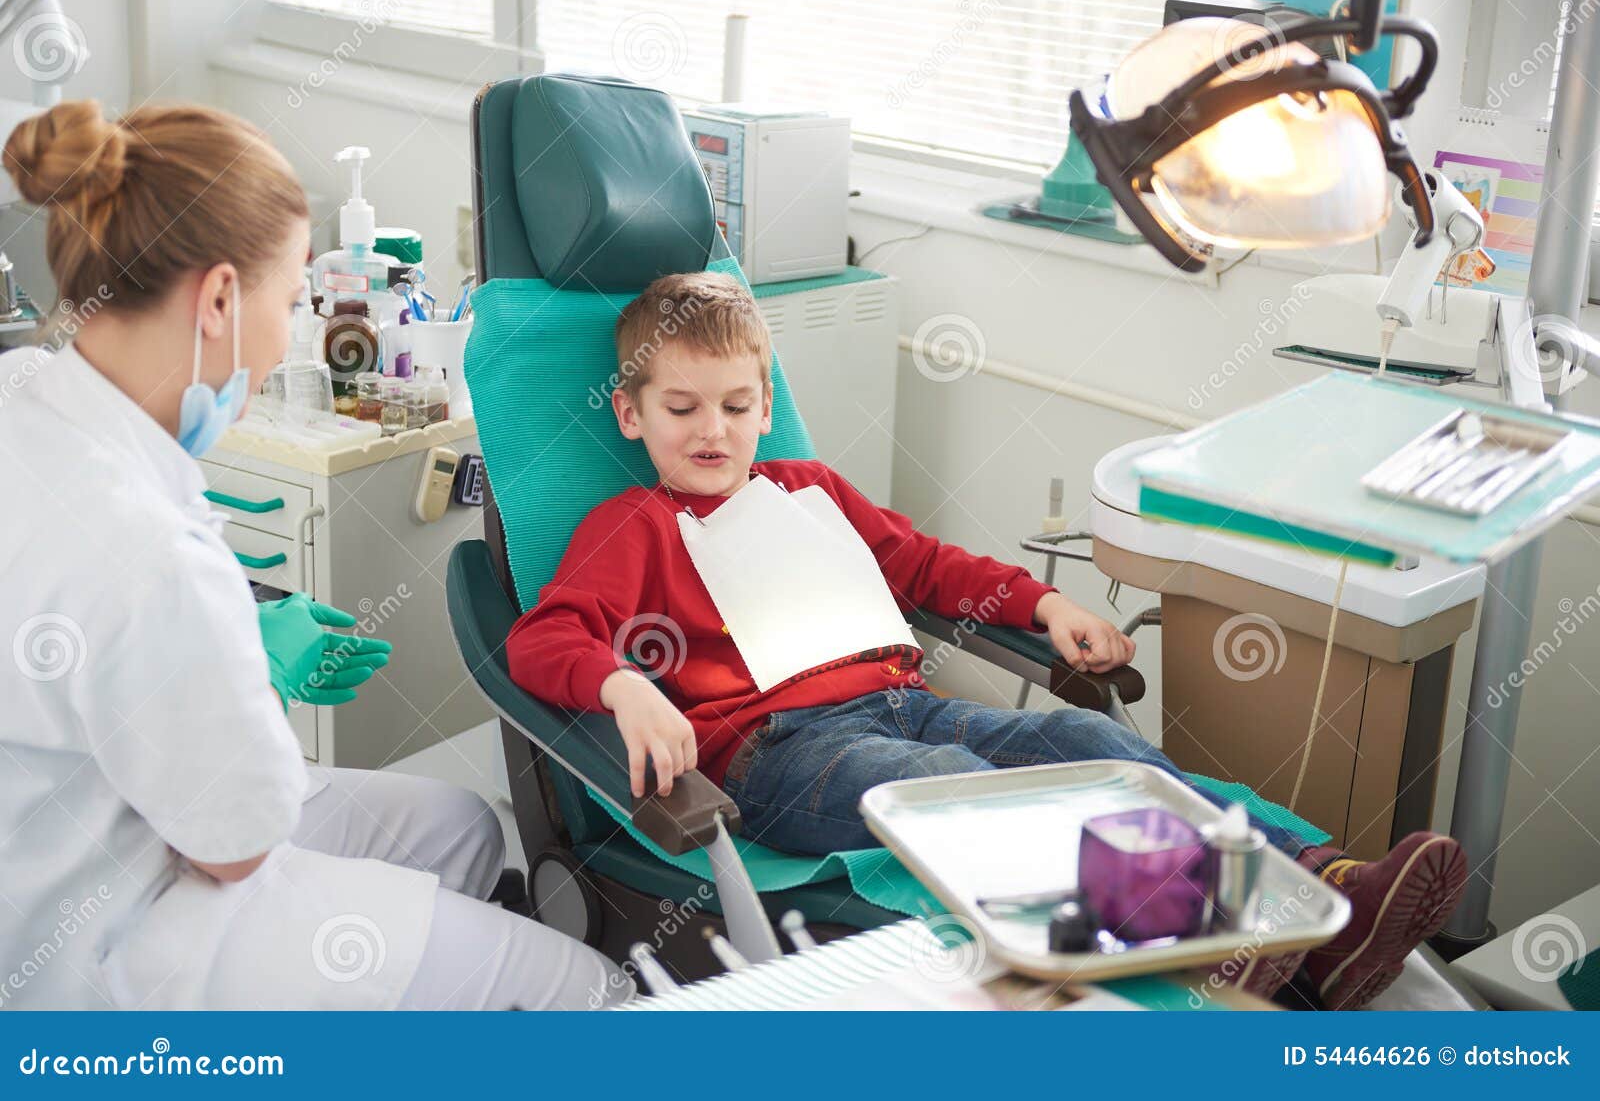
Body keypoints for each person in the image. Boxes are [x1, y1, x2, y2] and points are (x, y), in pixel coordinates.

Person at [509, 270, 1469, 1010]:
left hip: (908, 699)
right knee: (960, 797)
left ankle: (1322, 892)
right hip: (780, 755)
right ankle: (1242, 951)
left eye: (735, 406)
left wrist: (1043, 608)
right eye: (681, 410)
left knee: (1093, 750)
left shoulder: (810, 490)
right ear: (631, 415)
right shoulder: (633, 525)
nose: (712, 431)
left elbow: (926, 569)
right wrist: (624, 689)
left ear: (765, 406)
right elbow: (547, 636)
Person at [0, 99, 630, 1010]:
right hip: (110, 933)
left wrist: (232, 646)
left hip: (82, 802)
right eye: (291, 300)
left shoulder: (23, 388)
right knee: (594, 990)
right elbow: (236, 844)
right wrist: (252, 678)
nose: (288, 331)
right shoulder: (148, 552)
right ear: (217, 299)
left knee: (462, 827)